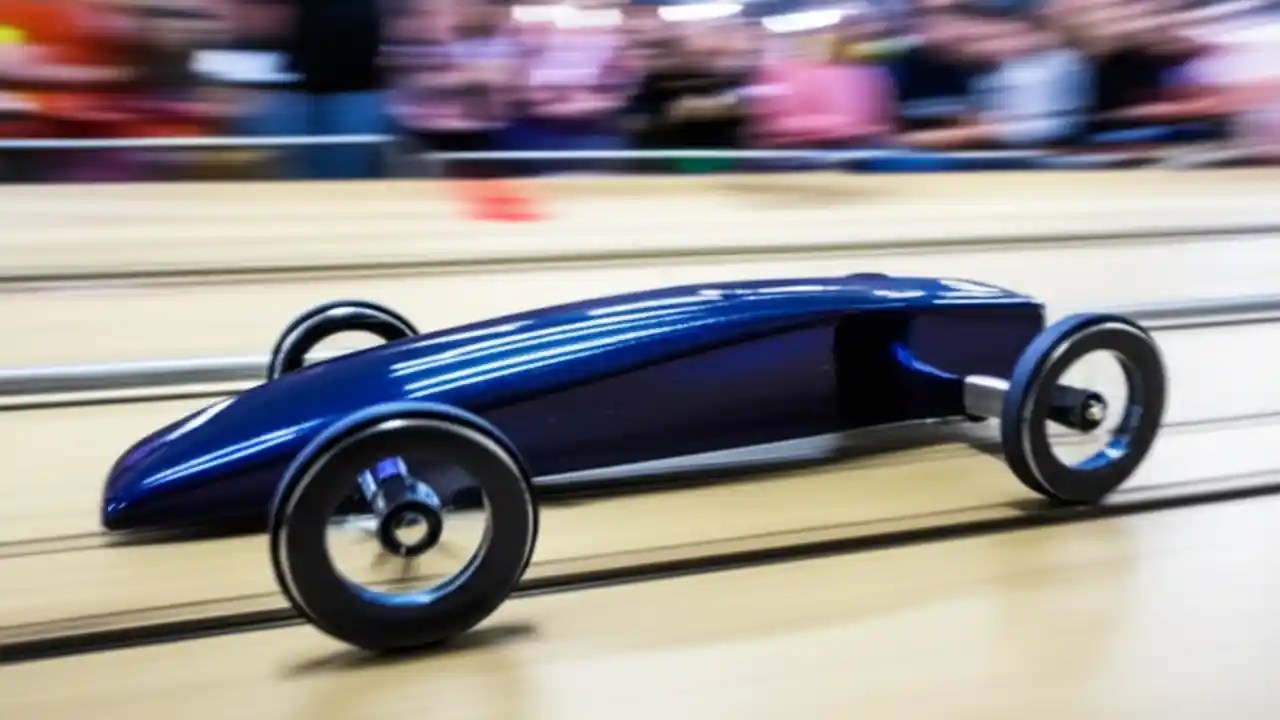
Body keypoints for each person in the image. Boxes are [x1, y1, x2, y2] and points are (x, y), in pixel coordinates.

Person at [900, 11, 1093, 149]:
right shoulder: (991, 69)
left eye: (991, 37)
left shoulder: (1055, 63)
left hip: (1053, 159)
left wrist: (968, 133)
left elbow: (1045, 128)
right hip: (998, 157)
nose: (976, 46)